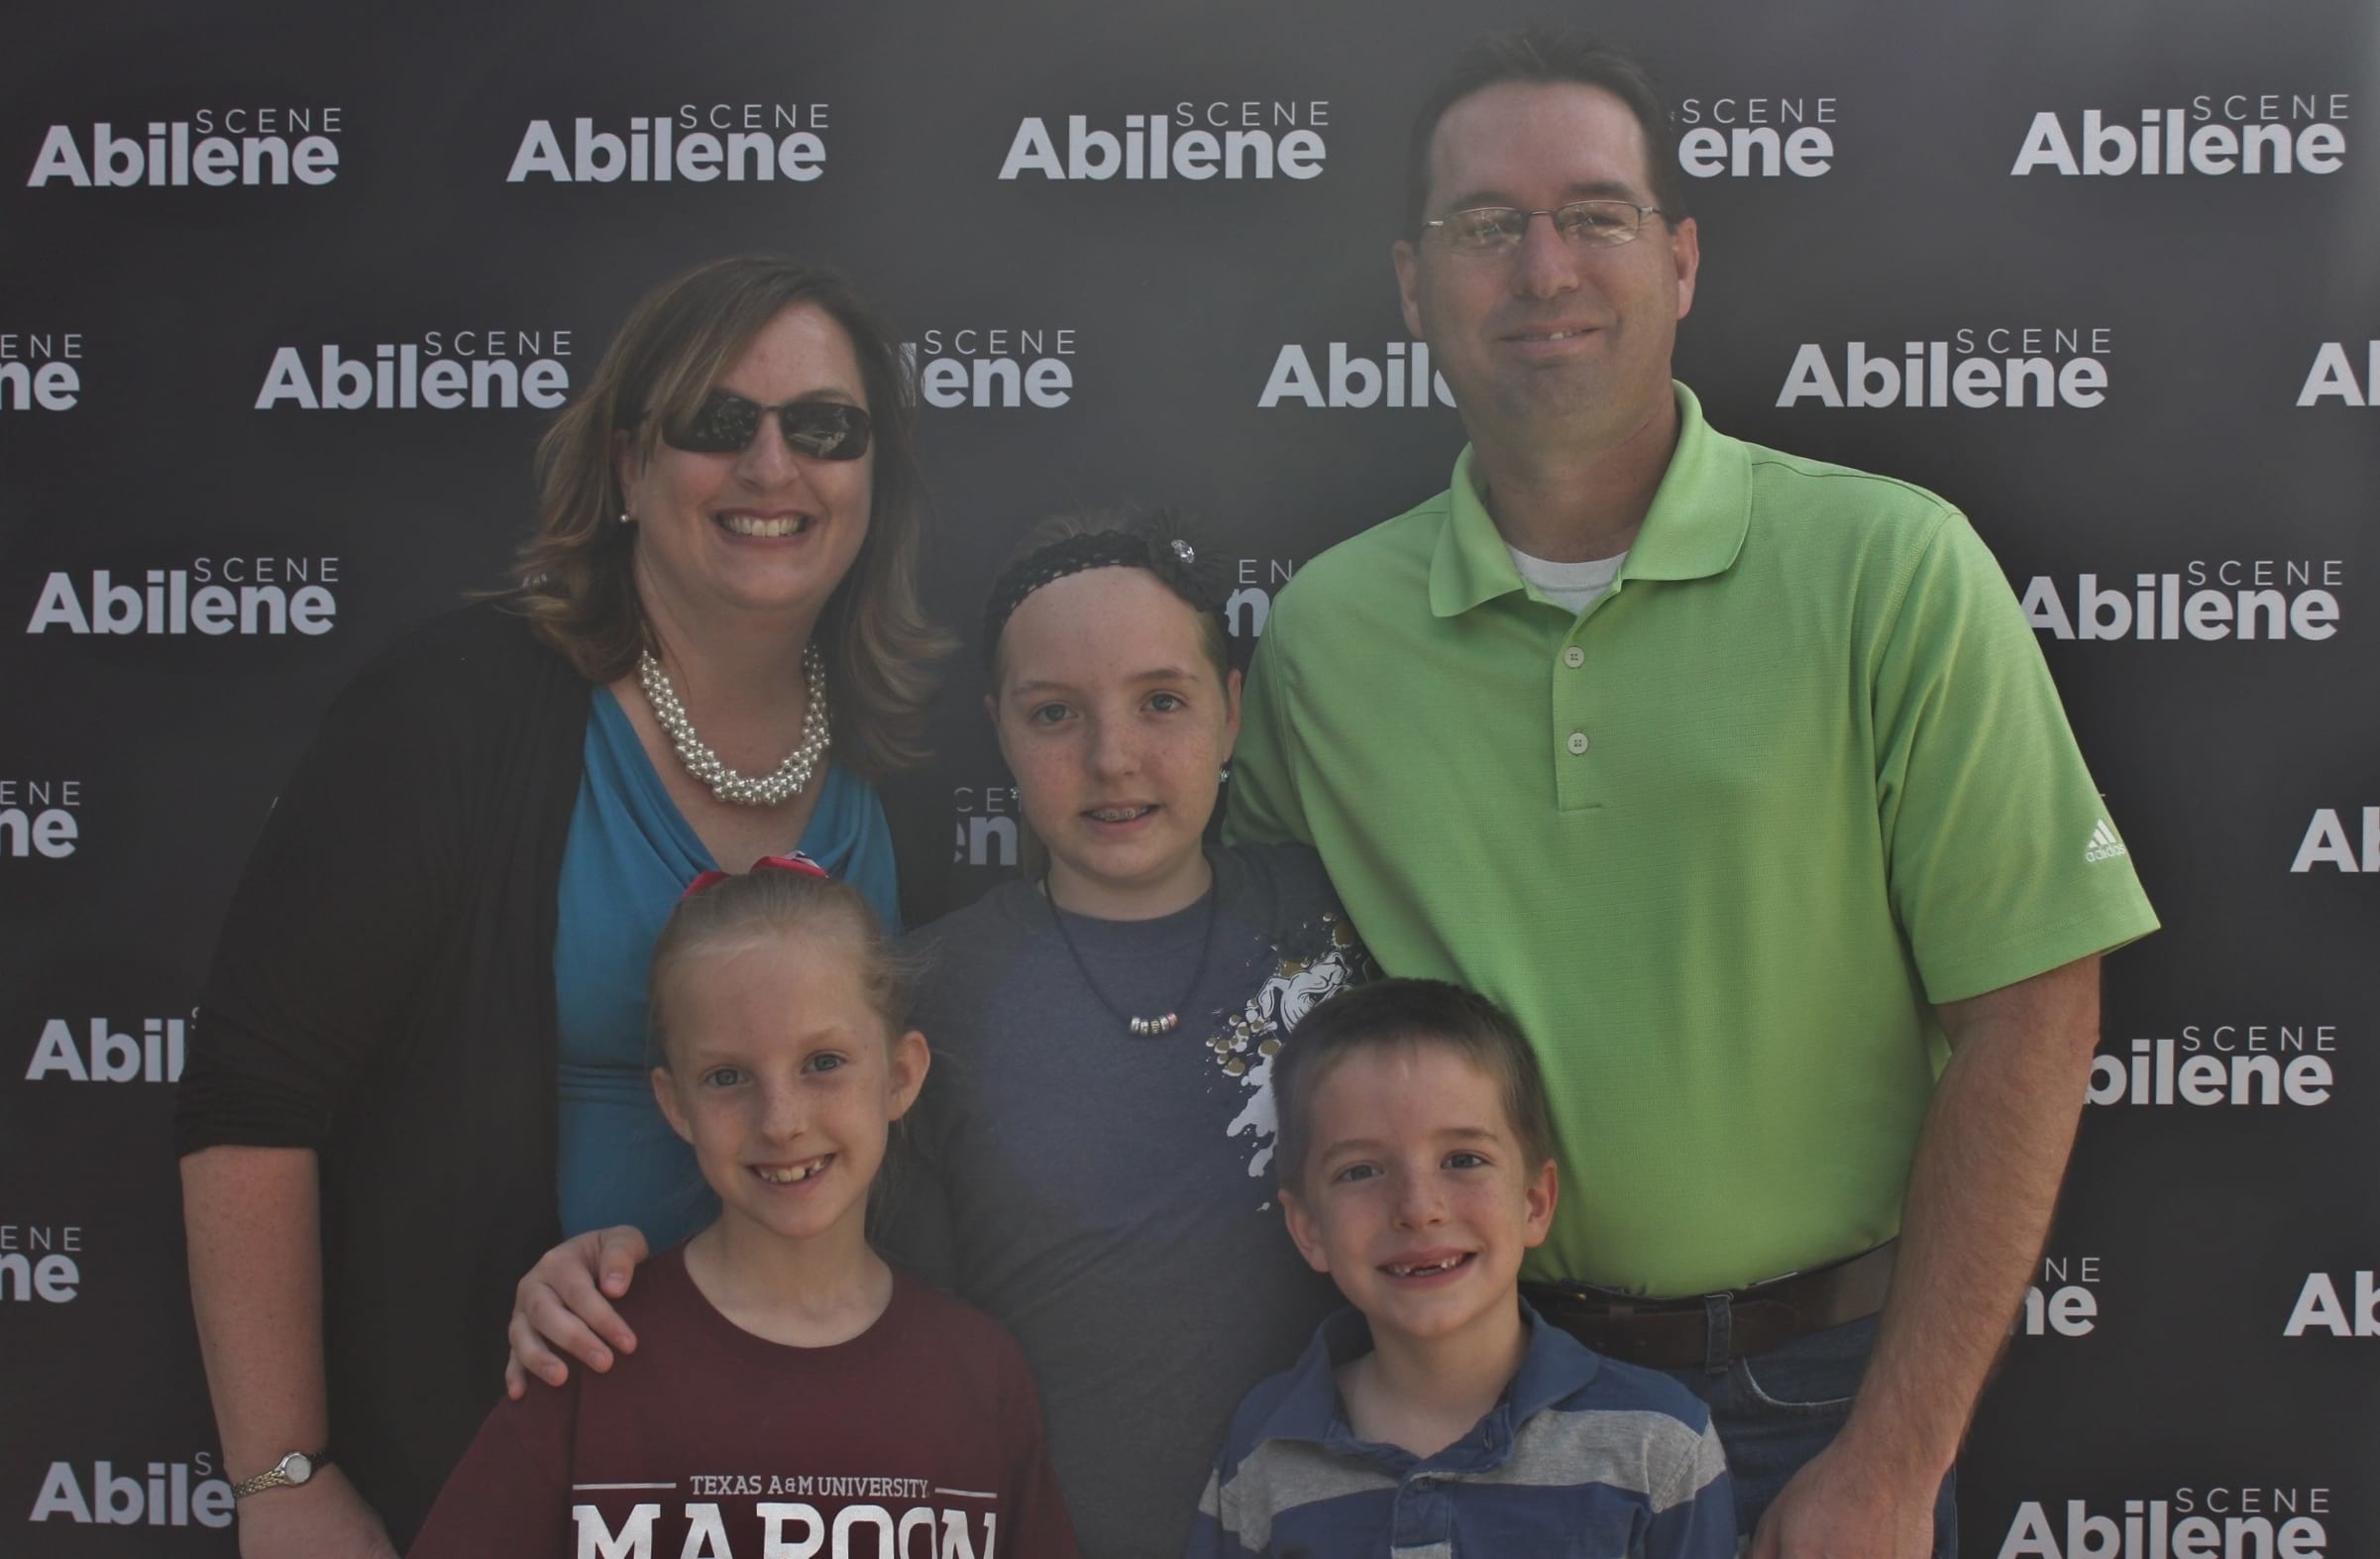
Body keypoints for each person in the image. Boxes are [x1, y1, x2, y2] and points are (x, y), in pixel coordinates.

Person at [1224, 29, 2161, 1558]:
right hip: (1478, 1396)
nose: (1542, 269)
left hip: (1832, 1394)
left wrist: (1895, 1460)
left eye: (1592, 216)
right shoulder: (1328, 632)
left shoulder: (1890, 568)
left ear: (1678, 260)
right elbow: (1231, 982)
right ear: (1410, 284)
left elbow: (2032, 1008)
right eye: (1485, 227)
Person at [174, 256, 950, 1558]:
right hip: (492, 1474)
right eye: (718, 423)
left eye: (824, 428)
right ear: (628, 468)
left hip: (798, 1491)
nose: (774, 466)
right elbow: (253, 1096)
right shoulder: (459, 713)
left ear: (873, 479)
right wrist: (282, 1475)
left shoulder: (900, 772)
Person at [505, 513, 1378, 1559]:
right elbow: (823, 1268)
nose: (1113, 757)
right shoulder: (933, 995)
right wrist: (604, 1275)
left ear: (1231, 710)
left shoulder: (1340, 919)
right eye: (1053, 713)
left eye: (1161, 701)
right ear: (999, 729)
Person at [408, 865, 1078, 1558]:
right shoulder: (589, 1350)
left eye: (823, 1061)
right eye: (727, 1076)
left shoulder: (979, 1376)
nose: (781, 1121)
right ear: (675, 1104)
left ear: (901, 1075)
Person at [1188, 978, 1734, 1559]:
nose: (1419, 1209)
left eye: (1463, 1160)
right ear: (1309, 1230)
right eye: (1361, 1171)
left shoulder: (1658, 1445)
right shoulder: (1265, 1451)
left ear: (1534, 1202)